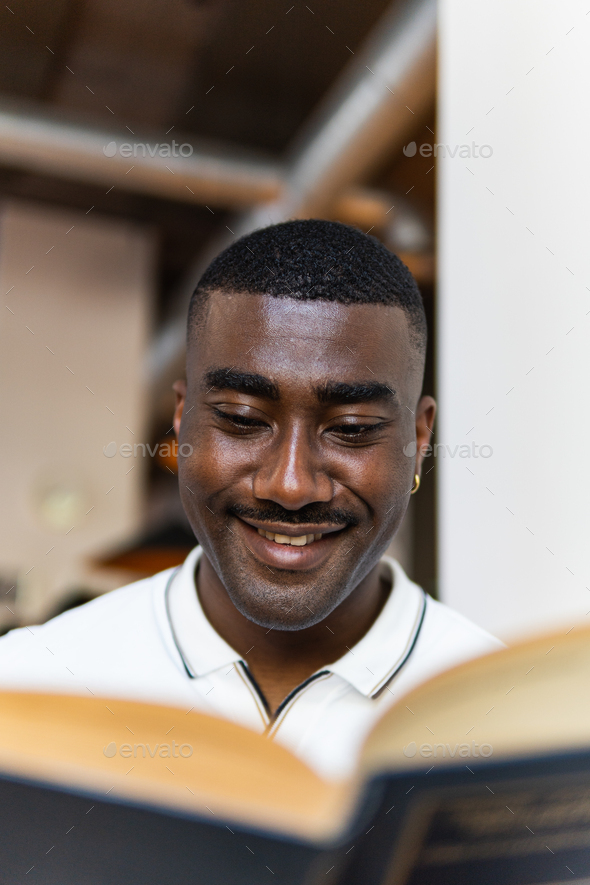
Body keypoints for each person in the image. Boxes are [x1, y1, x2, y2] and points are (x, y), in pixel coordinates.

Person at [0, 220, 503, 778]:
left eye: (353, 428)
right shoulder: (27, 689)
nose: (290, 485)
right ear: (181, 416)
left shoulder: (519, 725)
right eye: (242, 420)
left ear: (418, 437)